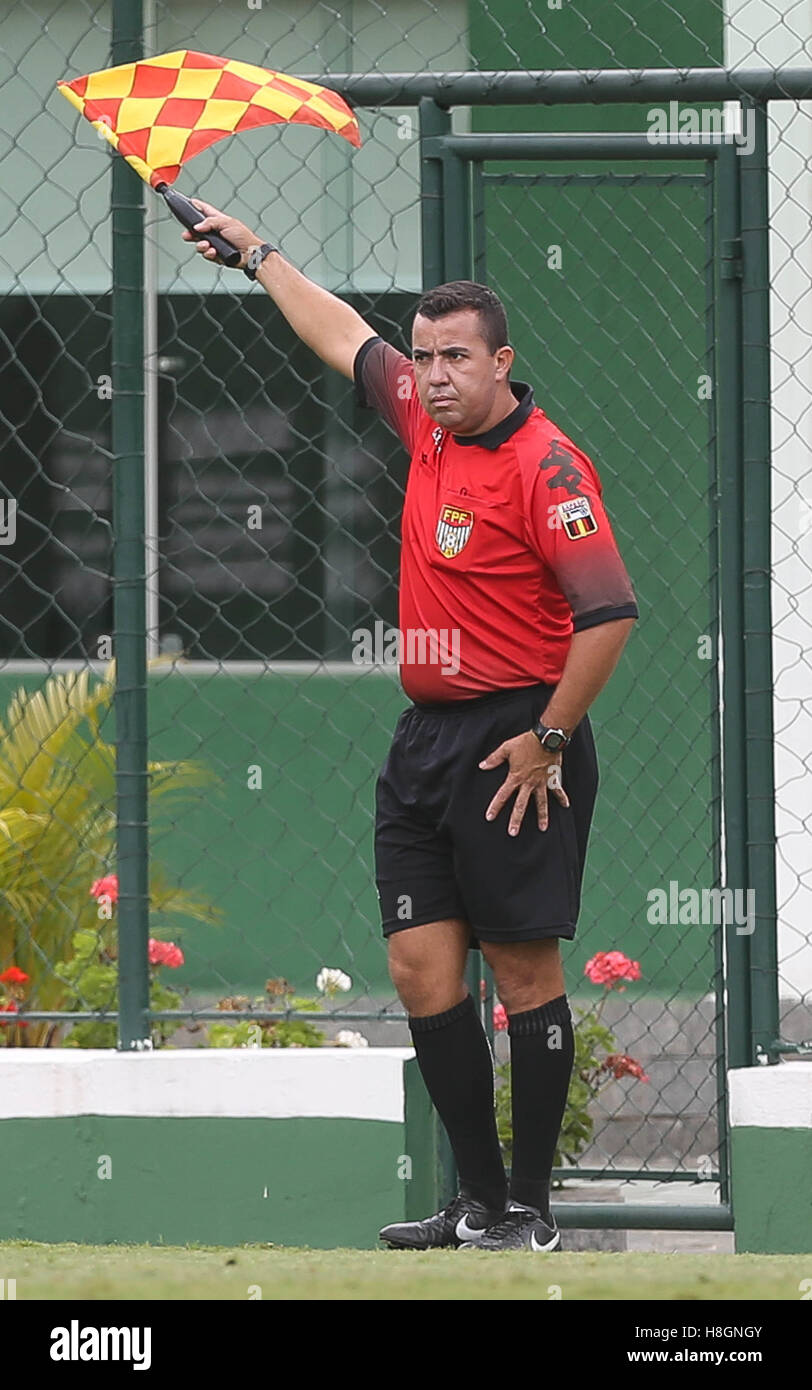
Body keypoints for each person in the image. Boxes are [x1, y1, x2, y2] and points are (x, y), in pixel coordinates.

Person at [182, 205, 638, 1251]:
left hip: (521, 740)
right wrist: (255, 255)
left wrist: (551, 740)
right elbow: (341, 332)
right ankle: (474, 1202)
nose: (431, 374)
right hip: (424, 739)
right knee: (421, 973)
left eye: (454, 357)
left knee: (524, 977)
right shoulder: (421, 417)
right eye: (423, 355)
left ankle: (529, 1210)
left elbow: (607, 615)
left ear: (500, 361)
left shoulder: (548, 469)